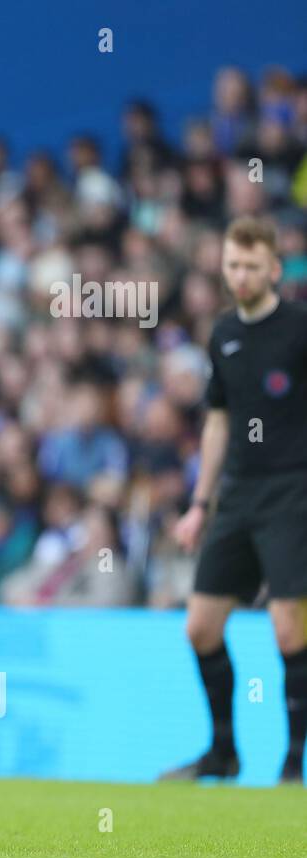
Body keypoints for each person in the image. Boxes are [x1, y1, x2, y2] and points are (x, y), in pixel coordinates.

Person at [164, 216, 307, 784]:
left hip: (294, 490)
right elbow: (219, 422)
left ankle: (293, 760)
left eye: (251, 265)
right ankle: (222, 752)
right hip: (238, 495)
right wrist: (200, 504)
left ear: (274, 268)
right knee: (199, 628)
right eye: (232, 265)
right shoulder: (223, 334)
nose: (240, 275)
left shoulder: (299, 329)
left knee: (289, 630)